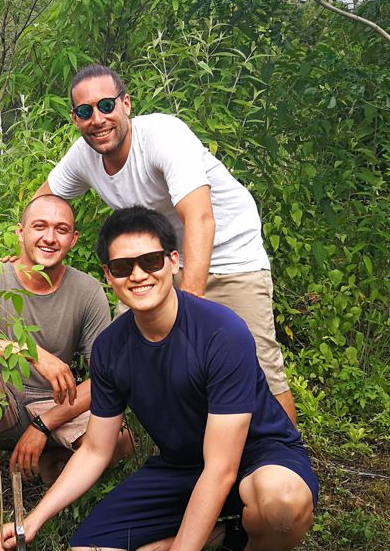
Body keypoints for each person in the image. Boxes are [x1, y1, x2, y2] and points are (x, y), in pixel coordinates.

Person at [0, 206, 318, 551]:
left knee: (281, 505)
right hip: (183, 465)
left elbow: (221, 468)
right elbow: (95, 449)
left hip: (256, 456)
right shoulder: (112, 347)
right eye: (123, 267)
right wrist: (32, 520)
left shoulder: (221, 331)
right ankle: (227, 528)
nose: (139, 275)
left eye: (150, 261)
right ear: (108, 276)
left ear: (173, 261)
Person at [35, 64, 297, 424]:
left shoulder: (162, 136)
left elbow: (200, 219)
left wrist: (188, 312)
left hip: (229, 253)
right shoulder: (84, 156)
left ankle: (288, 464)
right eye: (85, 111)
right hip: (158, 262)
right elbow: (43, 202)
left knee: (257, 368)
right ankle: (169, 455)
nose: (98, 119)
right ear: (75, 118)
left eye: (107, 105)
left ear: (126, 103)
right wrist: (23, 256)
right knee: (128, 353)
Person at [0, 194, 131, 485]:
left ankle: (51, 458)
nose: (50, 238)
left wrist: (43, 424)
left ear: (73, 239)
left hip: (53, 405)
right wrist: (28, 352)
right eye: (39, 226)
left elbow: (104, 380)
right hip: (0, 400)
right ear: (21, 232)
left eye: (61, 229)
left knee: (122, 441)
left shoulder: (88, 290)